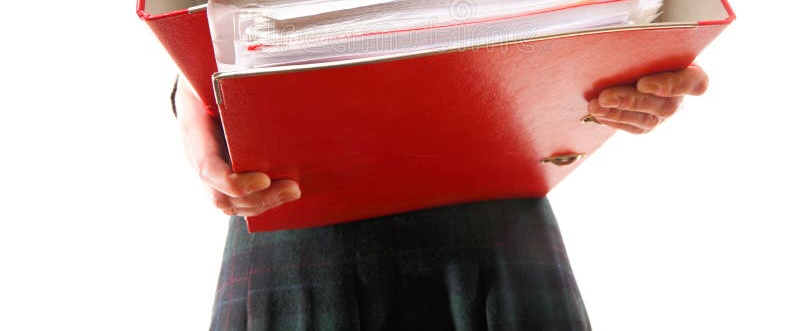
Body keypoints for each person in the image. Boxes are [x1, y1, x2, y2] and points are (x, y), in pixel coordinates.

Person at [174, 65, 709, 330]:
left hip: (490, 211)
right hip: (302, 219)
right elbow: (202, 8)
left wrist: (638, 58)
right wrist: (195, 108)